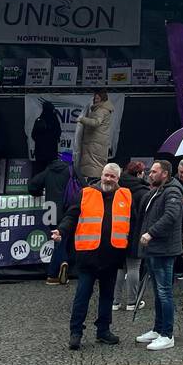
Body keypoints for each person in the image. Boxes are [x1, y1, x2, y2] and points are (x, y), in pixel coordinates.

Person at [54, 163, 130, 349]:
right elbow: (71, 216)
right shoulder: (85, 193)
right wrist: (61, 231)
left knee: (107, 297)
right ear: (101, 175)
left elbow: (132, 222)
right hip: (88, 255)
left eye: (112, 176)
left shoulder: (126, 196)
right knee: (82, 295)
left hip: (112, 256)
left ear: (118, 179)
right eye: (106, 175)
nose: (108, 179)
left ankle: (103, 331)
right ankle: (76, 332)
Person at [134, 160, 183, 351]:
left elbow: (170, 216)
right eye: (150, 171)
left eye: (154, 171)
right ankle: (158, 329)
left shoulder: (172, 191)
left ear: (165, 174)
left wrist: (151, 232)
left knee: (164, 292)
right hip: (154, 249)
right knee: (157, 292)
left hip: (164, 250)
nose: (150, 174)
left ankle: (167, 334)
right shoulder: (157, 190)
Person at [28, 153, 76, 285]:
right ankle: (56, 270)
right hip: (67, 211)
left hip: (50, 211)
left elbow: (32, 186)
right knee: (63, 240)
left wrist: (39, 192)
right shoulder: (71, 170)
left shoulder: (49, 169)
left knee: (57, 240)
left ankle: (57, 271)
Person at [114, 159, 152, 310]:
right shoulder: (143, 191)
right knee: (134, 266)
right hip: (136, 233)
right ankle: (132, 301)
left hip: (119, 231)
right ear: (139, 173)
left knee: (120, 267)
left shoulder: (118, 187)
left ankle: (115, 301)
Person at [76, 90, 115, 180]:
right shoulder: (104, 109)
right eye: (95, 98)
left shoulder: (100, 110)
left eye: (98, 98)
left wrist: (82, 119)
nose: (96, 100)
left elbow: (96, 123)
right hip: (97, 145)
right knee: (97, 167)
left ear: (102, 98)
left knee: (92, 170)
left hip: (94, 145)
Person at [30, 100, 62, 177]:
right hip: (52, 153)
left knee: (40, 172)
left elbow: (33, 135)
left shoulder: (39, 120)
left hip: (40, 153)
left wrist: (40, 142)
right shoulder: (54, 120)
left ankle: (40, 188)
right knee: (51, 173)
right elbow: (58, 133)